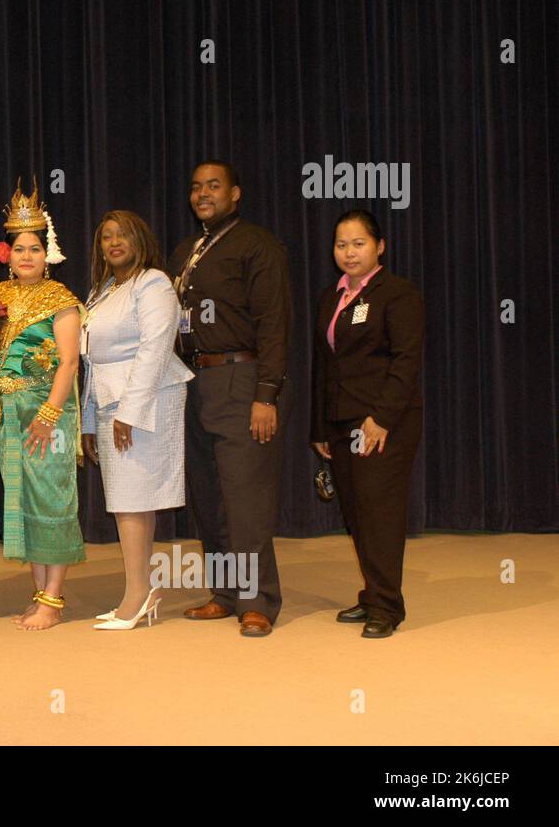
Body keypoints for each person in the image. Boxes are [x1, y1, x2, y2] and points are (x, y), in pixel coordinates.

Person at [168, 161, 290, 637]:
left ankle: (258, 601)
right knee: (210, 497)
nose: (203, 193)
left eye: (213, 186)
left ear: (235, 193)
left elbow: (275, 324)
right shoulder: (186, 250)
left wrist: (267, 394)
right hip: (194, 383)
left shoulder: (256, 245)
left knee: (246, 498)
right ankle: (225, 594)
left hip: (243, 379)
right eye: (196, 187)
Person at [311, 210, 425, 639]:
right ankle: (373, 593)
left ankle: (387, 606)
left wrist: (381, 419)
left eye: (358, 243)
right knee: (357, 513)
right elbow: (323, 365)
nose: (348, 252)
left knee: (380, 513)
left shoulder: (398, 294)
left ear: (379, 246)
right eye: (341, 244)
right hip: (340, 421)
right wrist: (319, 427)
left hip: (382, 421)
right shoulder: (332, 296)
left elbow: (406, 362)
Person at [81, 211, 193, 630]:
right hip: (110, 400)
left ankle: (136, 595)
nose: (114, 242)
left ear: (140, 238)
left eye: (122, 234)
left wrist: (129, 411)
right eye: (106, 236)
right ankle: (141, 590)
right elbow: (91, 360)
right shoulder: (104, 289)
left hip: (146, 398)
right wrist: (89, 421)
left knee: (130, 500)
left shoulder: (153, 283)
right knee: (132, 500)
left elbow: (156, 346)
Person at [0, 181, 85, 630]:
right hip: (9, 413)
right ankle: (39, 593)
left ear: (49, 254)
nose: (26, 256)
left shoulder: (62, 300)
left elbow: (68, 362)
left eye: (34, 248)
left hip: (48, 412)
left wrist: (48, 415)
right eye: (19, 249)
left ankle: (55, 598)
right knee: (23, 501)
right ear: (7, 254)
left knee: (51, 499)